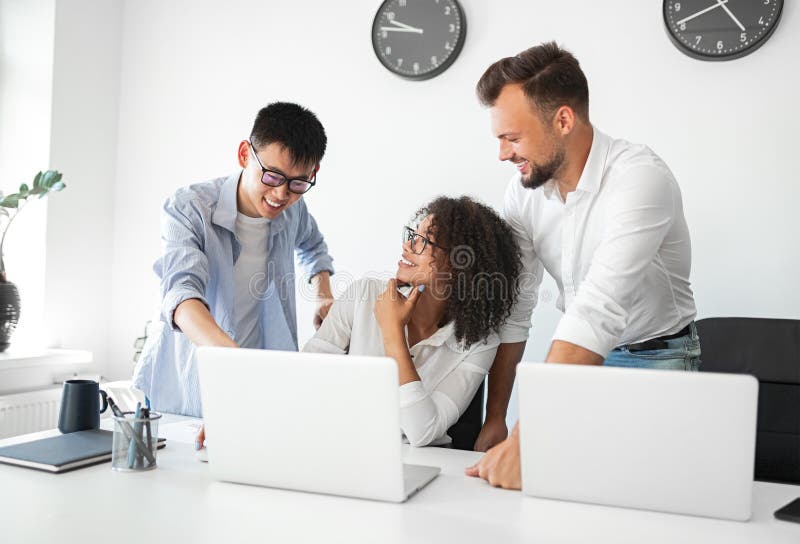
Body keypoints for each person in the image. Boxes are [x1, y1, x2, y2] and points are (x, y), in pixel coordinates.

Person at [466, 42, 700, 487]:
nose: (502, 154)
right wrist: (497, 417)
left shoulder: (639, 178)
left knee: (648, 493)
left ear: (564, 120)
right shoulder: (523, 191)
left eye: (512, 138)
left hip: (656, 357)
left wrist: (527, 436)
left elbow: (597, 308)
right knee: (567, 490)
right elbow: (517, 306)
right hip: (577, 360)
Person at [133, 102, 335, 421]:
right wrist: (236, 367)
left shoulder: (294, 211)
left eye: (298, 183)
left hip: (260, 388)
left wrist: (323, 294)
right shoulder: (189, 208)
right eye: (272, 176)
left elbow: (314, 246)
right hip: (188, 392)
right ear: (245, 155)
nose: (282, 194)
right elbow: (181, 296)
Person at [303, 196, 522, 447]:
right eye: (411, 234)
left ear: (459, 265)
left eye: (424, 241)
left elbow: (422, 431)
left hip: (424, 462)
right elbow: (306, 377)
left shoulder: (479, 343)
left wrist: (392, 331)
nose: (408, 246)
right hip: (345, 446)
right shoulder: (363, 294)